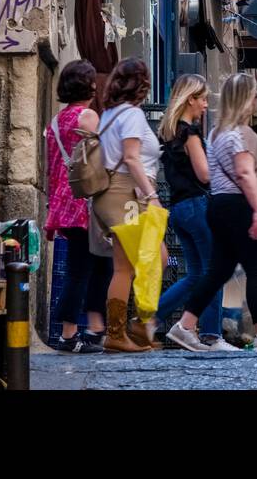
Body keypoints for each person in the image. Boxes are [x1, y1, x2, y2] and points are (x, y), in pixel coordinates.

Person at [168, 72, 257, 351]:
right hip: (239, 205)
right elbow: (245, 174)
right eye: (252, 97)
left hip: (219, 205)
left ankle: (184, 326)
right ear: (243, 100)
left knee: (218, 271)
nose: (255, 102)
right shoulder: (237, 135)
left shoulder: (215, 133)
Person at [90, 58, 163, 353]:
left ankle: (134, 326)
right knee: (141, 260)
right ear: (141, 83)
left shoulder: (108, 114)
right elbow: (131, 157)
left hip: (112, 192)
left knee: (132, 263)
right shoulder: (131, 115)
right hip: (126, 192)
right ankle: (126, 329)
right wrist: (151, 194)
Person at [44, 60, 110, 352]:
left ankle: (95, 328)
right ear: (88, 86)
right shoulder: (87, 116)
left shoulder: (57, 121)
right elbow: (100, 158)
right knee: (81, 269)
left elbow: (53, 166)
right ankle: (68, 334)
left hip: (63, 201)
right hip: (84, 202)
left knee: (98, 265)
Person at [155, 74, 225, 344]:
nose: (206, 105)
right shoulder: (190, 132)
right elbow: (204, 174)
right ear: (190, 99)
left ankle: (150, 319)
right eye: (203, 99)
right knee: (213, 271)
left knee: (195, 273)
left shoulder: (169, 131)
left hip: (179, 208)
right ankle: (210, 334)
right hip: (197, 205)